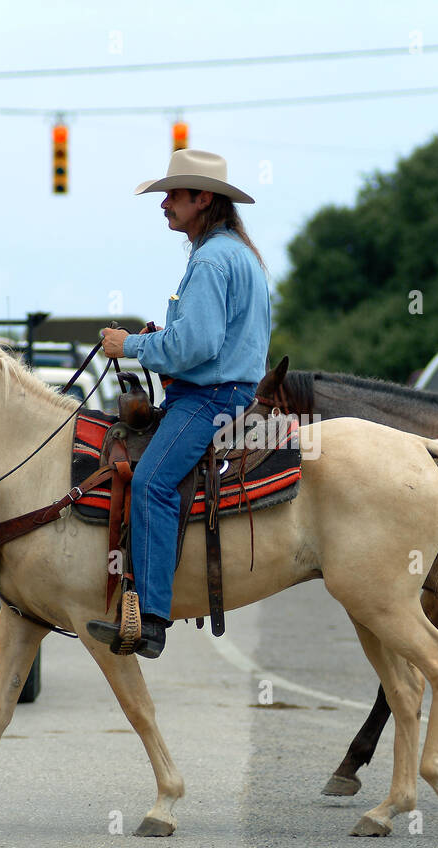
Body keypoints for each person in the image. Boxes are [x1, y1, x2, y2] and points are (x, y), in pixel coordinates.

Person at [87, 149, 271, 658]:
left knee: (151, 482)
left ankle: (150, 619)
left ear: (202, 199)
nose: (164, 204)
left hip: (211, 396)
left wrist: (132, 346)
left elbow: (199, 346)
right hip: (225, 390)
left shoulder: (212, 258)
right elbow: (206, 338)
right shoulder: (233, 252)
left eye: (173, 195)